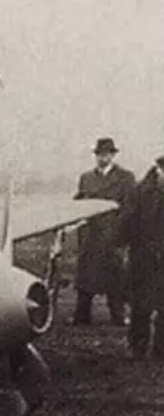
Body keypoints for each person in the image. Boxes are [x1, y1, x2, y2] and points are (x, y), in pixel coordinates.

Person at [73, 137, 136, 325]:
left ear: (113, 155)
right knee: (85, 277)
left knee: (114, 277)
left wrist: (123, 233)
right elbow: (78, 203)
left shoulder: (126, 178)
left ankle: (118, 316)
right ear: (96, 156)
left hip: (112, 235)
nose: (103, 158)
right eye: (100, 154)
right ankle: (81, 316)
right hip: (90, 234)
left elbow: (130, 207)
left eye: (107, 154)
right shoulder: (86, 178)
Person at [117, 154, 164, 359]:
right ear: (159, 169)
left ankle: (160, 350)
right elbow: (126, 222)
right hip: (143, 257)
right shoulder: (140, 192)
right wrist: (122, 244)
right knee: (140, 305)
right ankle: (137, 347)